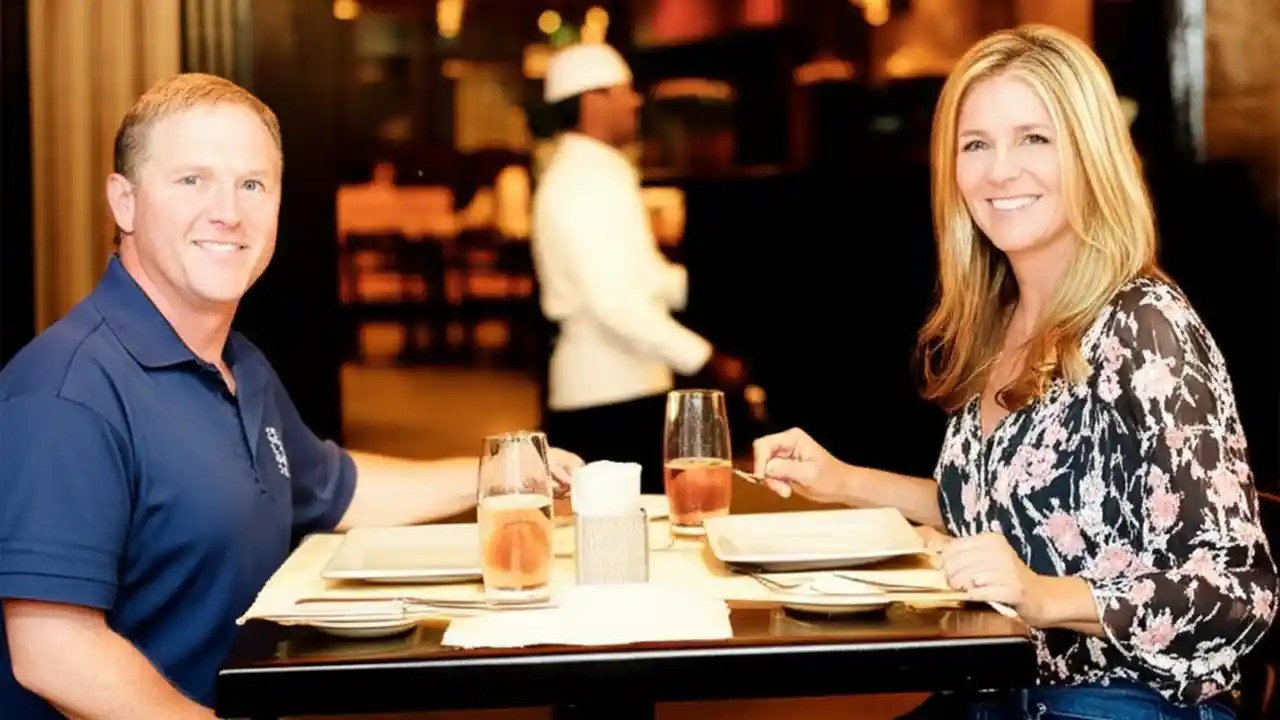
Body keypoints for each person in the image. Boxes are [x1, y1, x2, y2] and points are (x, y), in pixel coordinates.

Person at [0, 73, 582, 720]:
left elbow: (335, 487)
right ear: (125, 202)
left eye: (253, 184)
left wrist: (508, 471)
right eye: (191, 180)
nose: (228, 210)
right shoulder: (64, 394)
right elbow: (52, 649)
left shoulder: (240, 366)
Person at [752, 25, 1277, 719]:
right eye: (977, 144)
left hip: (1116, 703)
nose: (1000, 171)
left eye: (1034, 138)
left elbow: (1239, 593)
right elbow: (1013, 513)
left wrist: (1040, 594)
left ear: (1090, 153)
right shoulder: (1004, 320)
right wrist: (842, 481)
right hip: (1002, 690)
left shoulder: (1144, 326)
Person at [530, 42, 747, 493]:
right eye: (624, 90)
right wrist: (703, 356)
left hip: (627, 389)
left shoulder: (599, 172)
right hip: (605, 397)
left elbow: (641, 278)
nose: (635, 101)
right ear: (592, 101)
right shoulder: (583, 181)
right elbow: (613, 304)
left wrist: (718, 282)